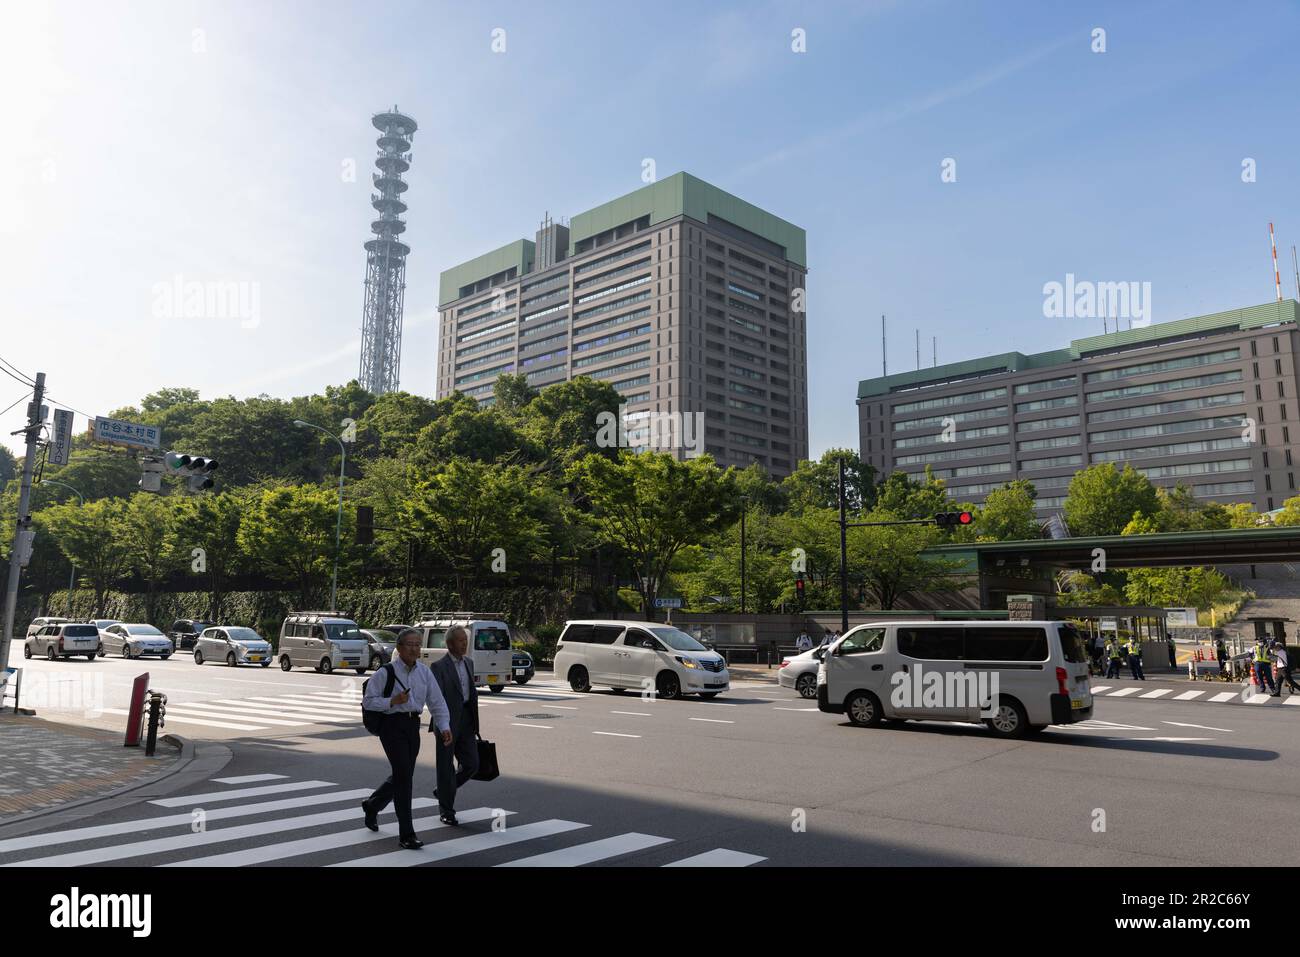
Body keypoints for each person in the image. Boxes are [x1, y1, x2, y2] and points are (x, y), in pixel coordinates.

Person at [362, 628, 451, 849]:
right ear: (399, 648)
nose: (414, 648)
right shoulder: (386, 672)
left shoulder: (424, 672)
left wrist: (444, 726)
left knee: (403, 774)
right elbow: (368, 701)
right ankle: (407, 833)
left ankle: (373, 805)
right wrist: (392, 701)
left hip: (413, 725)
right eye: (409, 644)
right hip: (392, 726)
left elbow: (436, 701)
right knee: (404, 778)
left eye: (417, 644)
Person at [430, 625, 481, 826]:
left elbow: (471, 693)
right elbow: (436, 699)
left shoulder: (469, 663)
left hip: (467, 720)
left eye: (465, 640)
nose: (464, 643)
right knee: (445, 768)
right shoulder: (438, 667)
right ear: (450, 643)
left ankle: (444, 789)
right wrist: (443, 725)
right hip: (446, 723)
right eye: (460, 640)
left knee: (472, 764)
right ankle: (447, 810)